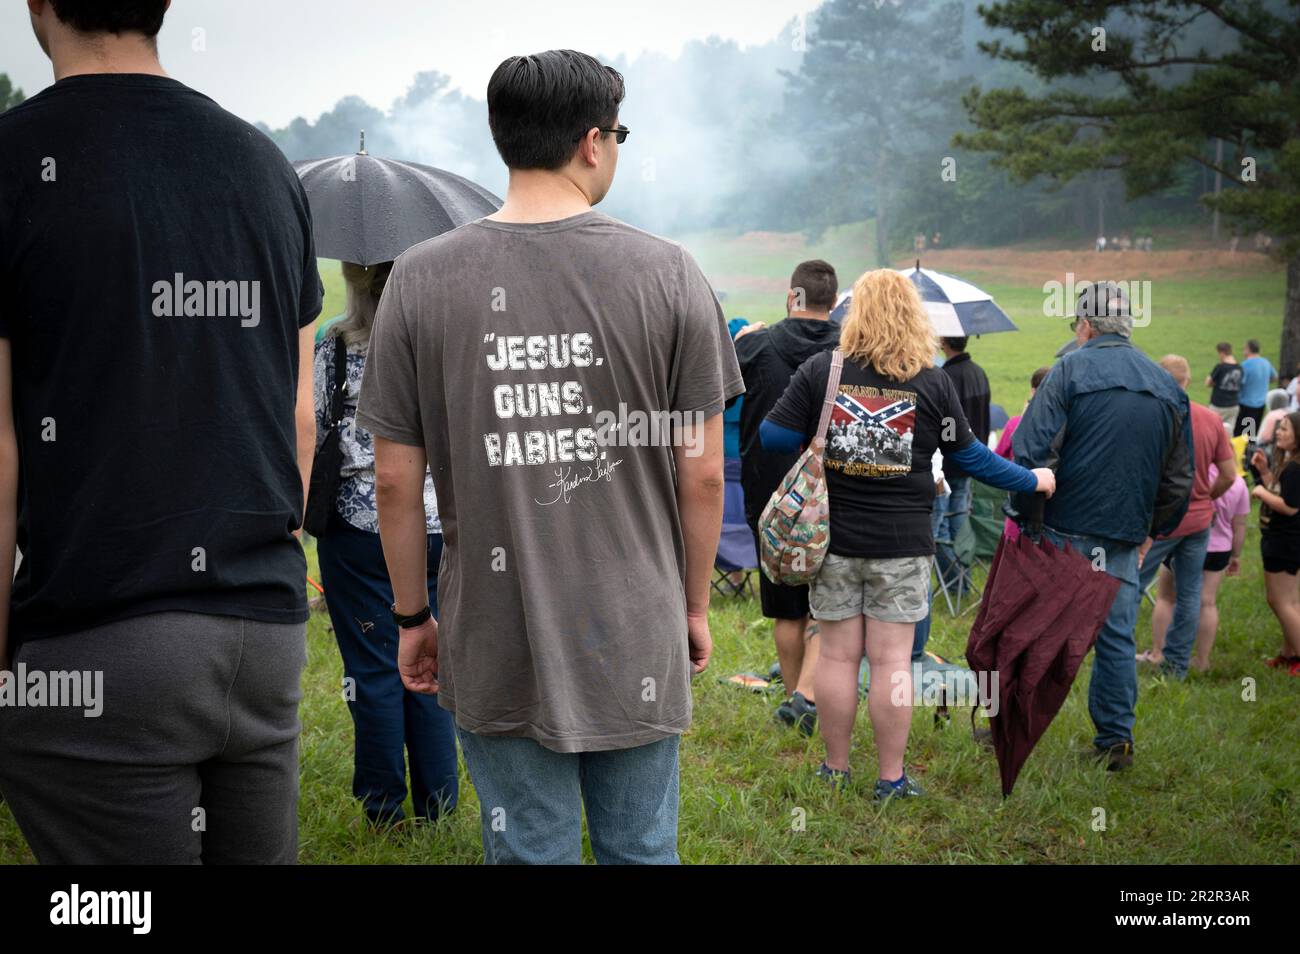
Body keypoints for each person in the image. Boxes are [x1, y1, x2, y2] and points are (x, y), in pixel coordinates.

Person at [356, 49, 742, 865]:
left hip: (493, 627)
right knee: (641, 849)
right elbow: (702, 471)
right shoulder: (669, 273)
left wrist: (411, 617)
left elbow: (395, 478)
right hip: (636, 619)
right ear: (594, 142)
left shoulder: (419, 279)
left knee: (529, 850)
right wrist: (695, 607)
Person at [0, 0, 321, 864]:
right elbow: (299, 415)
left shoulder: (13, 160)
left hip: (99, 636)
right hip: (264, 634)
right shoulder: (263, 163)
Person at [761, 269, 1053, 799]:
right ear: (913, 316)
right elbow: (970, 458)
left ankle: (835, 768)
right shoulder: (932, 381)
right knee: (895, 663)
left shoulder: (824, 371)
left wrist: (829, 435)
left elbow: (773, 434)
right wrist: (1031, 480)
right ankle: (891, 778)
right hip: (902, 546)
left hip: (833, 543)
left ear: (855, 314)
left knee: (836, 657)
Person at [1013, 282, 1192, 771]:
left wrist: (1027, 519)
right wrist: (1152, 530)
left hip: (1063, 526)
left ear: (1085, 327)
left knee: (1041, 627)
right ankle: (1116, 740)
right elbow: (1179, 479)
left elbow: (1032, 452)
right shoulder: (1167, 386)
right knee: (1115, 637)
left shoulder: (1068, 368)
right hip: (1124, 534)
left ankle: (1013, 724)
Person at [313, 262, 458, 827]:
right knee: (434, 660)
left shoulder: (339, 347)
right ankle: (439, 803)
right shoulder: (445, 345)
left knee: (374, 671)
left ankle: (383, 809)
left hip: (360, 533)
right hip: (441, 529)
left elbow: (316, 423)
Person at [733, 261, 841, 736]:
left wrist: (739, 343)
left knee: (784, 606)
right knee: (824, 604)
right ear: (833, 302)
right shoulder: (850, 349)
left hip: (772, 496)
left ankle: (792, 696)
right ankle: (806, 699)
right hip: (834, 497)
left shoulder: (757, 345)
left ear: (792, 296)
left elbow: (711, 384)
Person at [1132, 356, 1235, 679]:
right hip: (1199, 521)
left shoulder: (1154, 417)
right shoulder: (1211, 419)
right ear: (1188, 381)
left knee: (1130, 584)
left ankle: (1117, 657)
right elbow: (1230, 475)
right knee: (1191, 593)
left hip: (1162, 521)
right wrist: (1206, 496)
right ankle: (1176, 665)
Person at [1143, 464, 1248, 672]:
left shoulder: (1191, 475)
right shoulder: (1238, 483)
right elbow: (1240, 525)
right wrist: (1235, 555)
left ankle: (1158, 653)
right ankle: (1202, 660)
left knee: (1166, 597)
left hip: (1183, 541)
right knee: (1207, 603)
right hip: (1219, 549)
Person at [934, 336, 991, 596]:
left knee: (938, 529)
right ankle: (962, 585)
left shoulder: (945, 376)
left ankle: (952, 583)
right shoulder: (979, 372)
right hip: (970, 462)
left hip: (945, 467)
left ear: (944, 342)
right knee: (960, 524)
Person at [1250, 414, 1300, 676]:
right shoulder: (1290, 464)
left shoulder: (1294, 468)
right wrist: (1264, 474)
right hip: (1287, 541)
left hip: (1283, 540)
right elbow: (1282, 491)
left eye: (1285, 429)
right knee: (1290, 601)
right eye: (1279, 428)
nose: (1278, 432)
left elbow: (1290, 506)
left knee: (1280, 601)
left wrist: (1260, 492)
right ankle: (1289, 653)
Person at [1237, 340, 1277, 439]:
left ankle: (1245, 453)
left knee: (1243, 435)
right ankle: (1250, 450)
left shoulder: (1245, 365)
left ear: (1248, 350)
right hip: (1261, 404)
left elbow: (1240, 383)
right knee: (1253, 432)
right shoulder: (1266, 362)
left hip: (1247, 404)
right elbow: (1274, 377)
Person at [1205, 342, 1242, 431]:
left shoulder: (1220, 367)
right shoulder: (1239, 367)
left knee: (1212, 429)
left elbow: (1208, 382)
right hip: (1233, 405)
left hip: (1218, 404)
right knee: (1228, 432)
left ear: (1222, 353)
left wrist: (1215, 383)